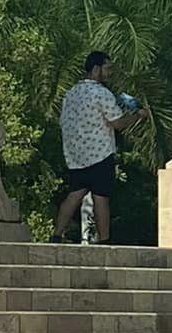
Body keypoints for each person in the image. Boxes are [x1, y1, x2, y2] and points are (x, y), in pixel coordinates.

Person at [53, 51, 147, 245]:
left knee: (75, 193)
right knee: (101, 196)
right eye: (107, 68)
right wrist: (137, 115)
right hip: (100, 153)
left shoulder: (70, 94)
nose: (109, 73)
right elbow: (118, 123)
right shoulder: (101, 93)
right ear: (96, 69)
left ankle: (56, 234)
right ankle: (104, 240)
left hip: (76, 155)